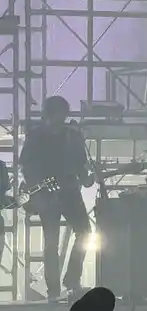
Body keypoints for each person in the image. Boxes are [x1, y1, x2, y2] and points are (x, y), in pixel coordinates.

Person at [20, 96, 93, 300]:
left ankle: (72, 279)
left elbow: (80, 164)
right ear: (48, 114)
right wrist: (38, 188)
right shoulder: (36, 136)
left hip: (69, 192)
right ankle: (54, 289)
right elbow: (26, 166)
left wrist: (86, 177)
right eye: (58, 114)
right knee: (51, 242)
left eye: (63, 114)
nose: (61, 118)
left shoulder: (72, 136)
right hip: (47, 195)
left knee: (85, 232)